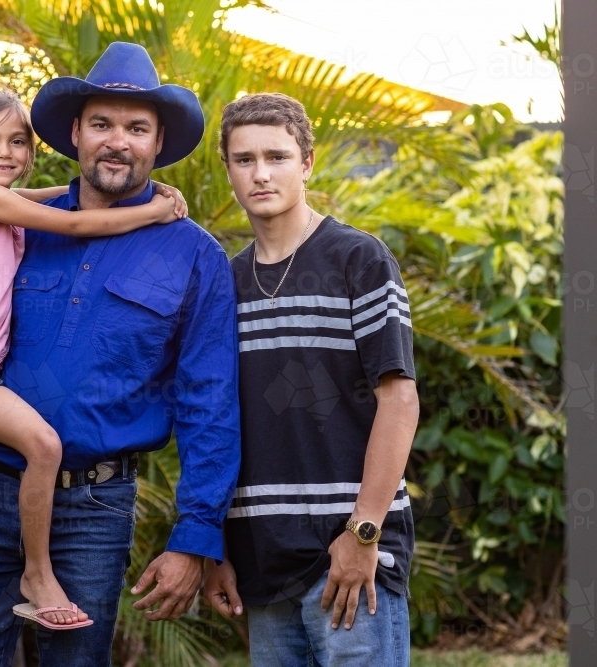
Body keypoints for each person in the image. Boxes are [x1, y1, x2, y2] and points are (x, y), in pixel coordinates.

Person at [0, 42, 241, 666]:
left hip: (95, 509)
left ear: (158, 142)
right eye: (102, 124)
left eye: (136, 128)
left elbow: (210, 403)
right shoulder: (14, 224)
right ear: (74, 133)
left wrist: (196, 537)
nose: (118, 141)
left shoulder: (195, 257)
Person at [202, 92, 420, 667]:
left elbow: (399, 401)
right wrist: (216, 547)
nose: (261, 173)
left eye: (276, 156)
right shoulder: (227, 281)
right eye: (244, 160)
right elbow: (218, 422)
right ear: (227, 169)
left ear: (307, 163)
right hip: (263, 561)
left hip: (352, 559)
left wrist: (363, 533)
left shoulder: (359, 260)